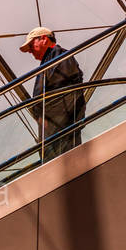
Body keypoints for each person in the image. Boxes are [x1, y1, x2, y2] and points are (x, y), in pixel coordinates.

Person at [20, 26, 86, 161]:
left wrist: (45, 118)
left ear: (44, 39)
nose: (30, 51)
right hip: (57, 131)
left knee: (67, 163)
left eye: (32, 45)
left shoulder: (60, 57)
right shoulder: (51, 60)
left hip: (60, 131)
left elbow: (64, 95)